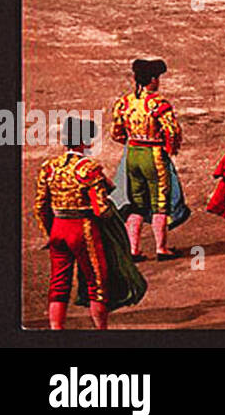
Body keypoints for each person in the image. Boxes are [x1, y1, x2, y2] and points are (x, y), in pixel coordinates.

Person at [35, 117, 146, 330]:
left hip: (58, 228)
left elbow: (41, 206)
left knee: (58, 284)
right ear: (85, 142)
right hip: (83, 230)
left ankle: (56, 331)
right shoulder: (89, 169)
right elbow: (101, 209)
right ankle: (101, 332)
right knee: (97, 285)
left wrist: (50, 232)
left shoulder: (49, 168)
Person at [110, 58, 186, 261]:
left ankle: (133, 249)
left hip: (133, 154)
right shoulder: (158, 103)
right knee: (160, 201)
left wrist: (131, 140)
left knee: (136, 203)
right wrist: (169, 147)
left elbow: (116, 132)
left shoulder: (125, 102)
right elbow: (173, 131)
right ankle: (161, 248)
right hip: (153, 154)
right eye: (157, 78)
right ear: (152, 79)